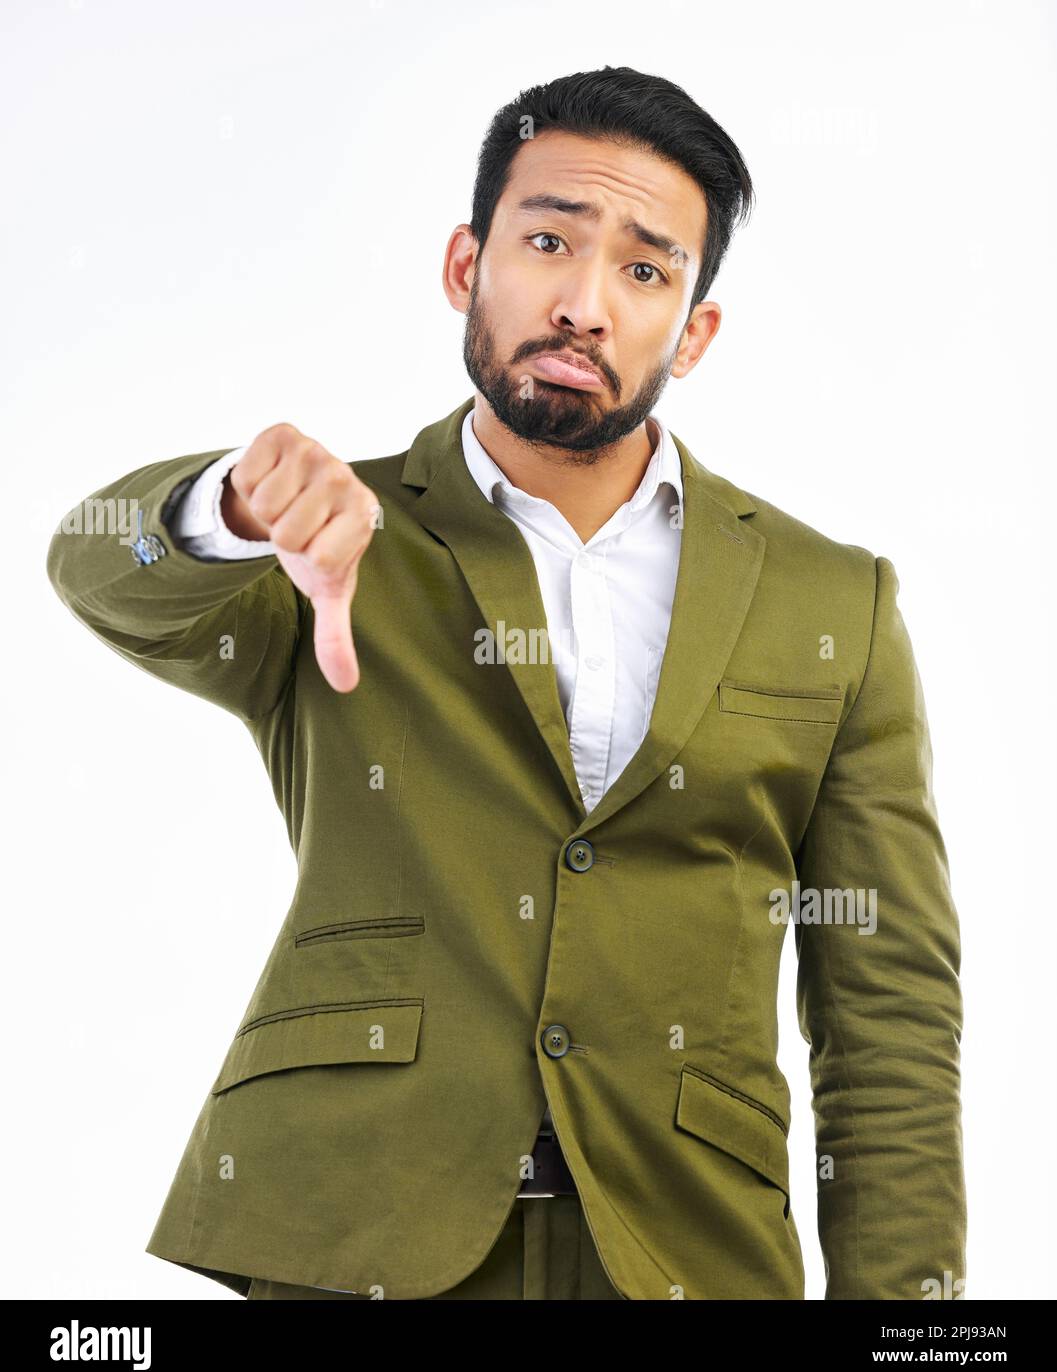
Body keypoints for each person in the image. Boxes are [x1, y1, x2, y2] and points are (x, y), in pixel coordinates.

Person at [46, 65, 966, 1300]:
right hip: (352, 1234)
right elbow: (95, 562)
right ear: (464, 266)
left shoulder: (830, 602)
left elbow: (888, 1011)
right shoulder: (335, 535)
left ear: (690, 332)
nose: (584, 304)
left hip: (687, 1250)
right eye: (547, 241)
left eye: (645, 270)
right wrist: (227, 504)